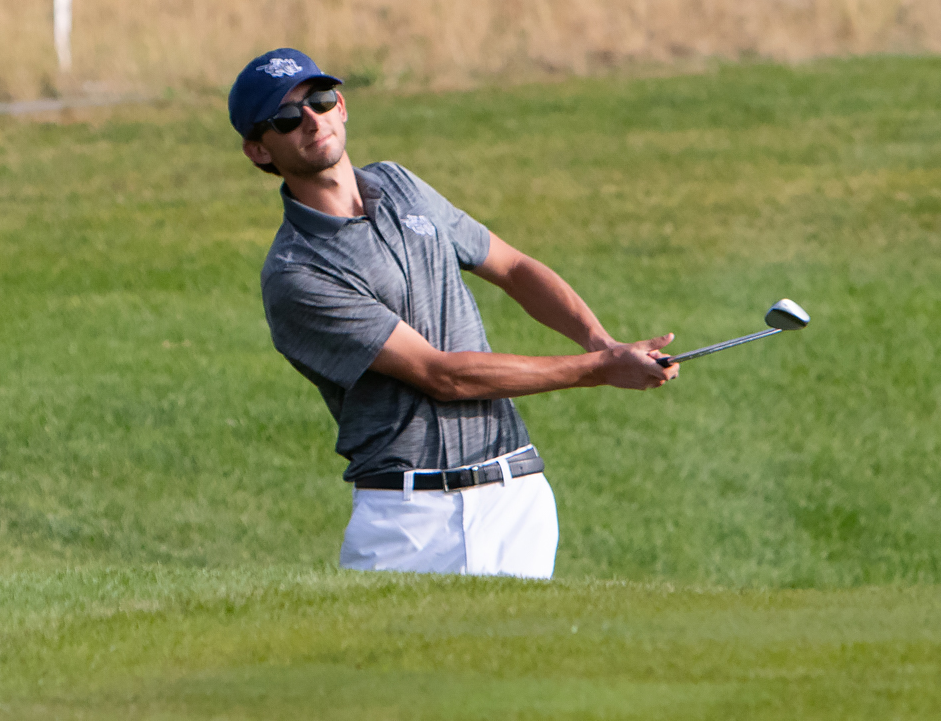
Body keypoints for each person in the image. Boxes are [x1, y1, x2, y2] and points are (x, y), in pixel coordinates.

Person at [229, 48, 678, 578]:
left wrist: (599, 341)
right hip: (408, 520)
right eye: (286, 117)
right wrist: (600, 369)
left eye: (320, 99)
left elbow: (512, 267)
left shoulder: (399, 184)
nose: (312, 119)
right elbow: (441, 376)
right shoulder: (296, 272)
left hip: (515, 499)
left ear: (342, 106)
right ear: (259, 150)